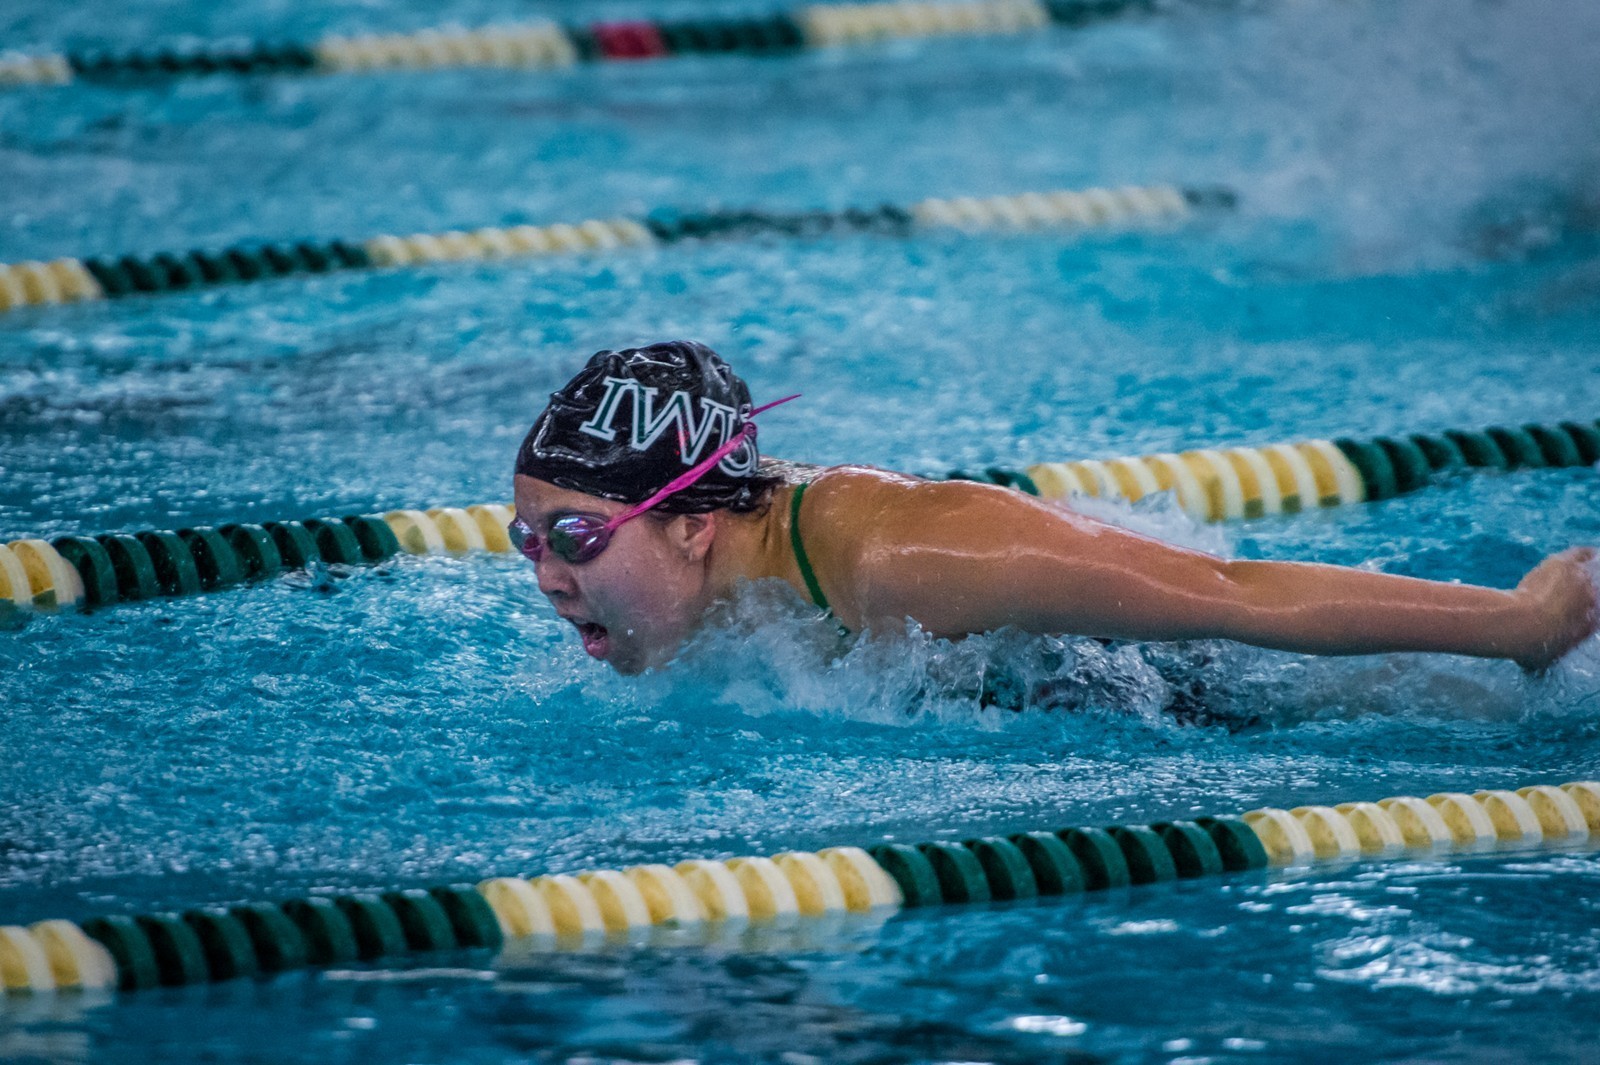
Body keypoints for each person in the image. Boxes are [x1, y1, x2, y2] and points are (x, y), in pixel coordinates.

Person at [512, 340, 1599, 677]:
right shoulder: (713, 587)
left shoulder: (903, 552)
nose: (547, 573)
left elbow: (1224, 595)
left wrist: (1518, 623)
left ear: (693, 522)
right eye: (527, 538)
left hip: (1221, 687)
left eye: (575, 536)